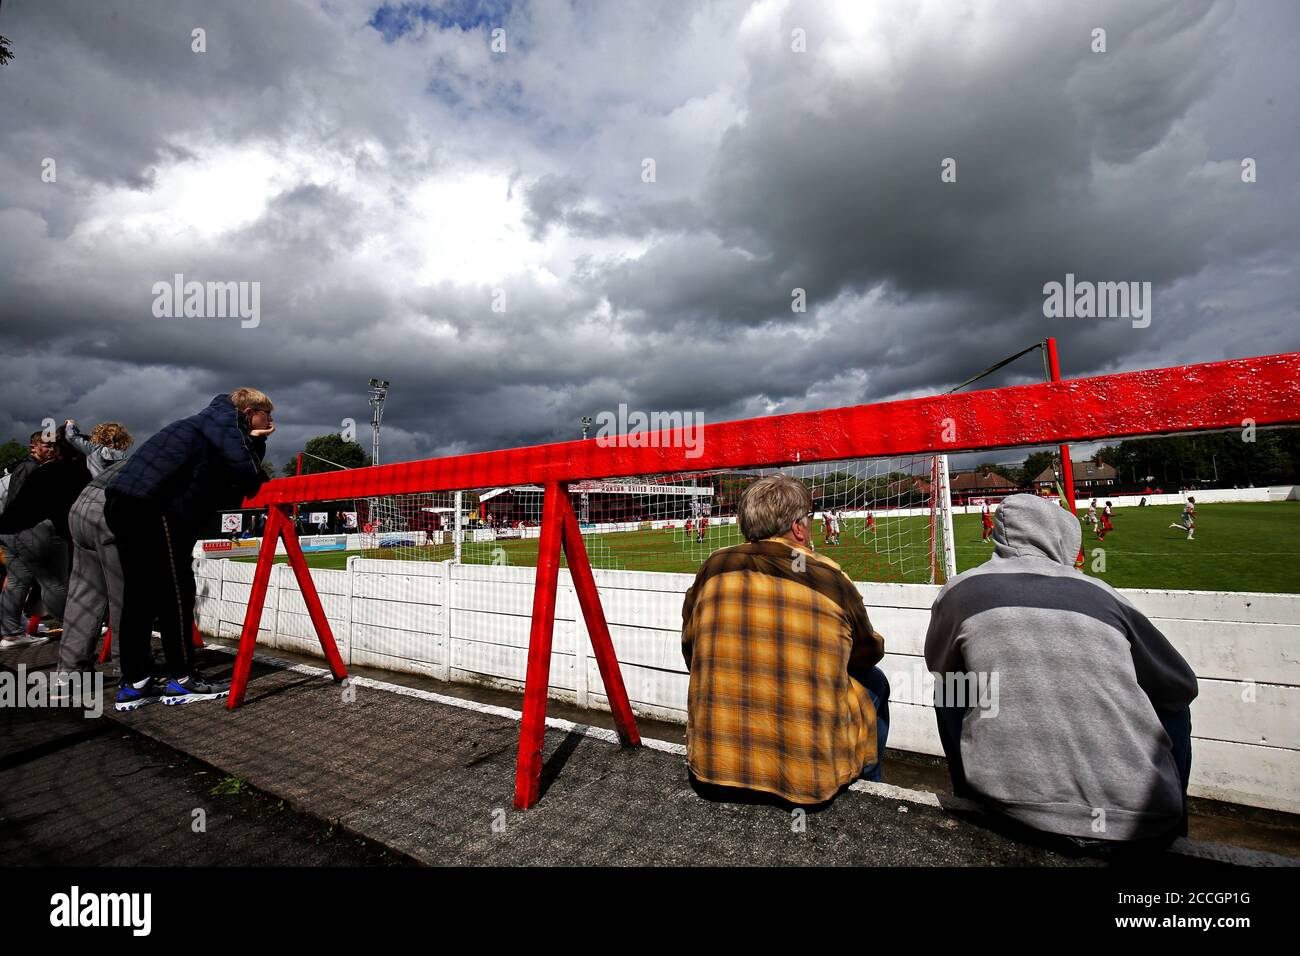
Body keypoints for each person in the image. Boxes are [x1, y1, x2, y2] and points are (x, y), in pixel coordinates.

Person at [924, 493, 1196, 850]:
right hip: (1144, 821)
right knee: (1175, 707)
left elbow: (939, 667)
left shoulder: (962, 587)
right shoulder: (1102, 592)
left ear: (1002, 535)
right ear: (1064, 537)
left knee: (949, 688)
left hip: (1014, 812)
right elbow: (1181, 686)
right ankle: (1179, 830)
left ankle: (969, 798)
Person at [682, 475, 888, 807]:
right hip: (809, 784)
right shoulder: (828, 575)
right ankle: (871, 796)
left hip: (711, 771)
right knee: (875, 681)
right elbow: (867, 653)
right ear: (798, 527)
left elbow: (690, 649)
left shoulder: (714, 567)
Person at [104, 388, 274, 710]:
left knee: (139, 597)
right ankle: (183, 678)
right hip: (155, 509)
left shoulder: (204, 423)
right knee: (176, 594)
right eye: (268, 414)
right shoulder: (227, 423)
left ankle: (136, 681)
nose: (271, 421)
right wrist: (258, 441)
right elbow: (250, 477)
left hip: (122, 504)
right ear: (250, 412)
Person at [0, 431, 71, 648]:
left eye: (54, 446)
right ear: (33, 448)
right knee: (53, 582)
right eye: (46, 446)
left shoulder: (22, 468)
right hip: (30, 532)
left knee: (16, 581)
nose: (51, 450)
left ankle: (11, 634)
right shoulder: (34, 470)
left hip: (11, 531)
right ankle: (75, 626)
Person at [63, 420, 133, 477]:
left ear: (98, 435)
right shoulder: (125, 458)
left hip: (98, 487)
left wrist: (70, 424)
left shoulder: (92, 449)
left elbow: (71, 436)